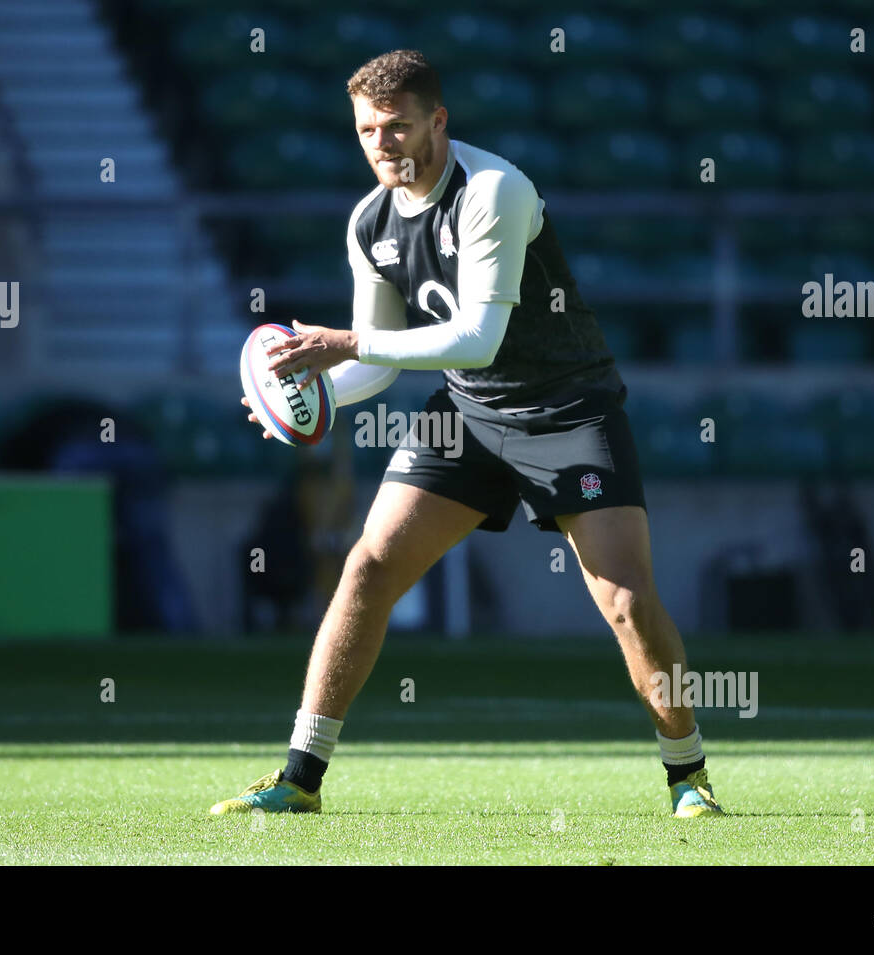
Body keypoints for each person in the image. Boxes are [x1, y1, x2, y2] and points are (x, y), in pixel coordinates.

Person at [215, 50, 723, 818]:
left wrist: (343, 346)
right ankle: (298, 778)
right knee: (368, 567)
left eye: (396, 127)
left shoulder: (494, 191)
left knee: (624, 600)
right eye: (365, 130)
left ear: (438, 121)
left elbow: (475, 337)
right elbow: (380, 367)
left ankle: (688, 776)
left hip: (567, 407)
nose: (381, 144)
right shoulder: (369, 222)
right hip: (470, 413)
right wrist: (306, 398)